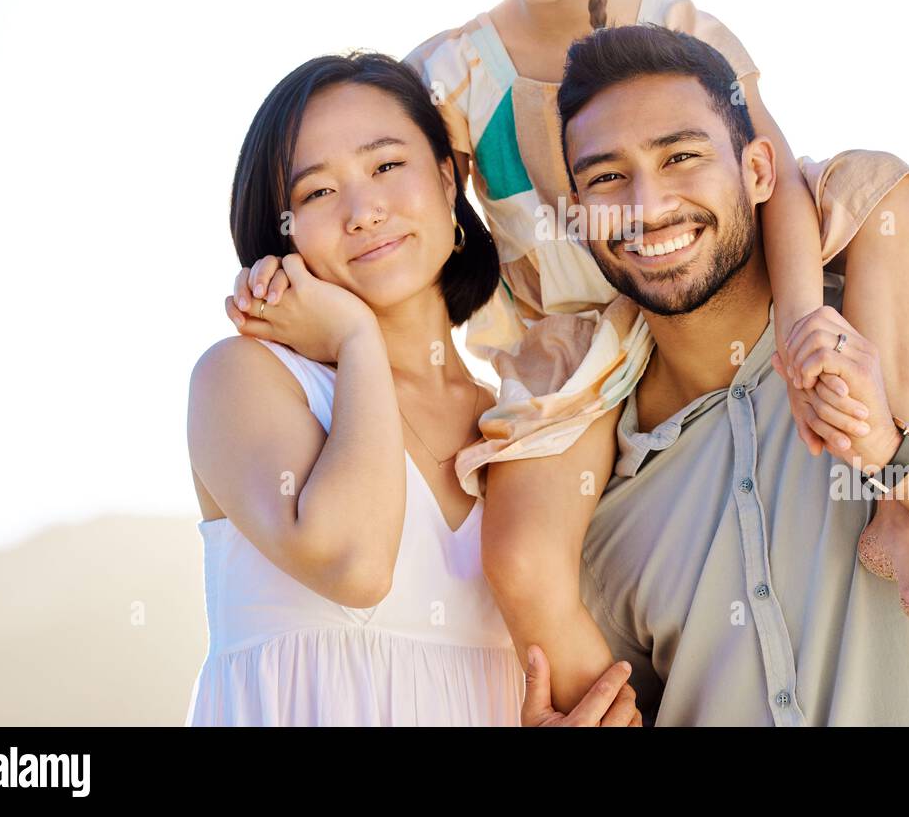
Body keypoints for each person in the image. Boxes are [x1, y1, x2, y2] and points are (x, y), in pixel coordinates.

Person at [398, 0, 909, 714]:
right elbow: (413, 229)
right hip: (569, 347)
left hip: (710, 286)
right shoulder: (449, 75)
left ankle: (899, 507)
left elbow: (772, 176)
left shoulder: (681, 28)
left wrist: (797, 321)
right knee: (524, 560)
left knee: (880, 190)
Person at [509, 22, 909, 726]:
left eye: (681, 157)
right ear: (577, 217)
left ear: (759, 170)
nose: (648, 202)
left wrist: (904, 462)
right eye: (608, 176)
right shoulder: (599, 496)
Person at [185, 51, 639, 726]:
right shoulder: (245, 380)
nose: (364, 211)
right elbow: (357, 564)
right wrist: (356, 340)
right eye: (316, 192)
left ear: (449, 177)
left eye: (387, 165)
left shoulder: (527, 425)